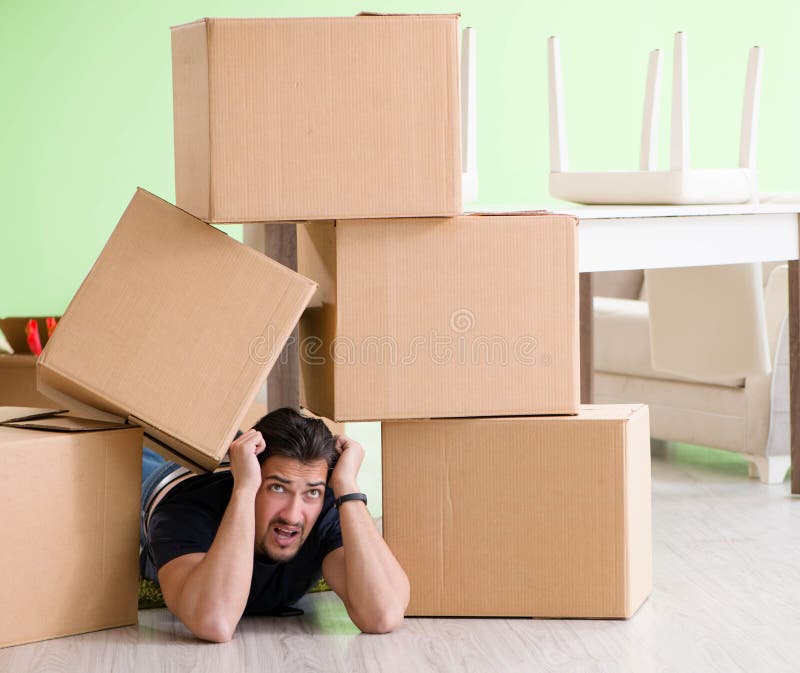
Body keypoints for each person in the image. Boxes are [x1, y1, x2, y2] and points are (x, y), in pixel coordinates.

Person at [139, 407, 409, 642]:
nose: (293, 515)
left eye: (312, 492)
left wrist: (347, 486)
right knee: (135, 447)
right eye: (278, 488)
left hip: (240, 465)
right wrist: (245, 488)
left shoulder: (326, 510)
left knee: (243, 441)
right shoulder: (185, 514)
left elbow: (383, 615)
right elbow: (215, 622)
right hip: (168, 482)